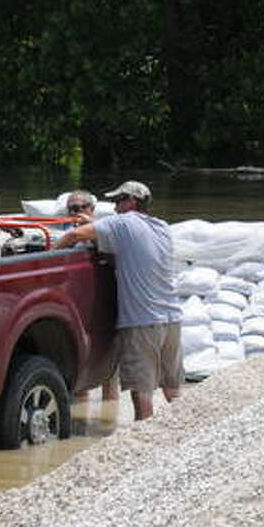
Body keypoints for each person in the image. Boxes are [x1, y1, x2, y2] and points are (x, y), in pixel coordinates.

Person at [56, 180, 181, 420]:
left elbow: (73, 235)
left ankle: (143, 442)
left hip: (142, 322)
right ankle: (187, 435)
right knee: (172, 388)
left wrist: (47, 259)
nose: (114, 208)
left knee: (140, 390)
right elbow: (132, 252)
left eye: (118, 202)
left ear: (131, 202)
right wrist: (98, 227)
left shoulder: (122, 222)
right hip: (172, 318)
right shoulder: (162, 227)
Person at [64, 189, 121, 401]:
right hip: (81, 308)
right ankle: (82, 418)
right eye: (72, 209)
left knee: (109, 367)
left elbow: (114, 257)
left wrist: (91, 228)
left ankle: (110, 415)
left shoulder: (106, 231)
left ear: (92, 209)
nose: (77, 212)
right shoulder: (69, 238)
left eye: (81, 208)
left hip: (107, 305)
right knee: (82, 365)